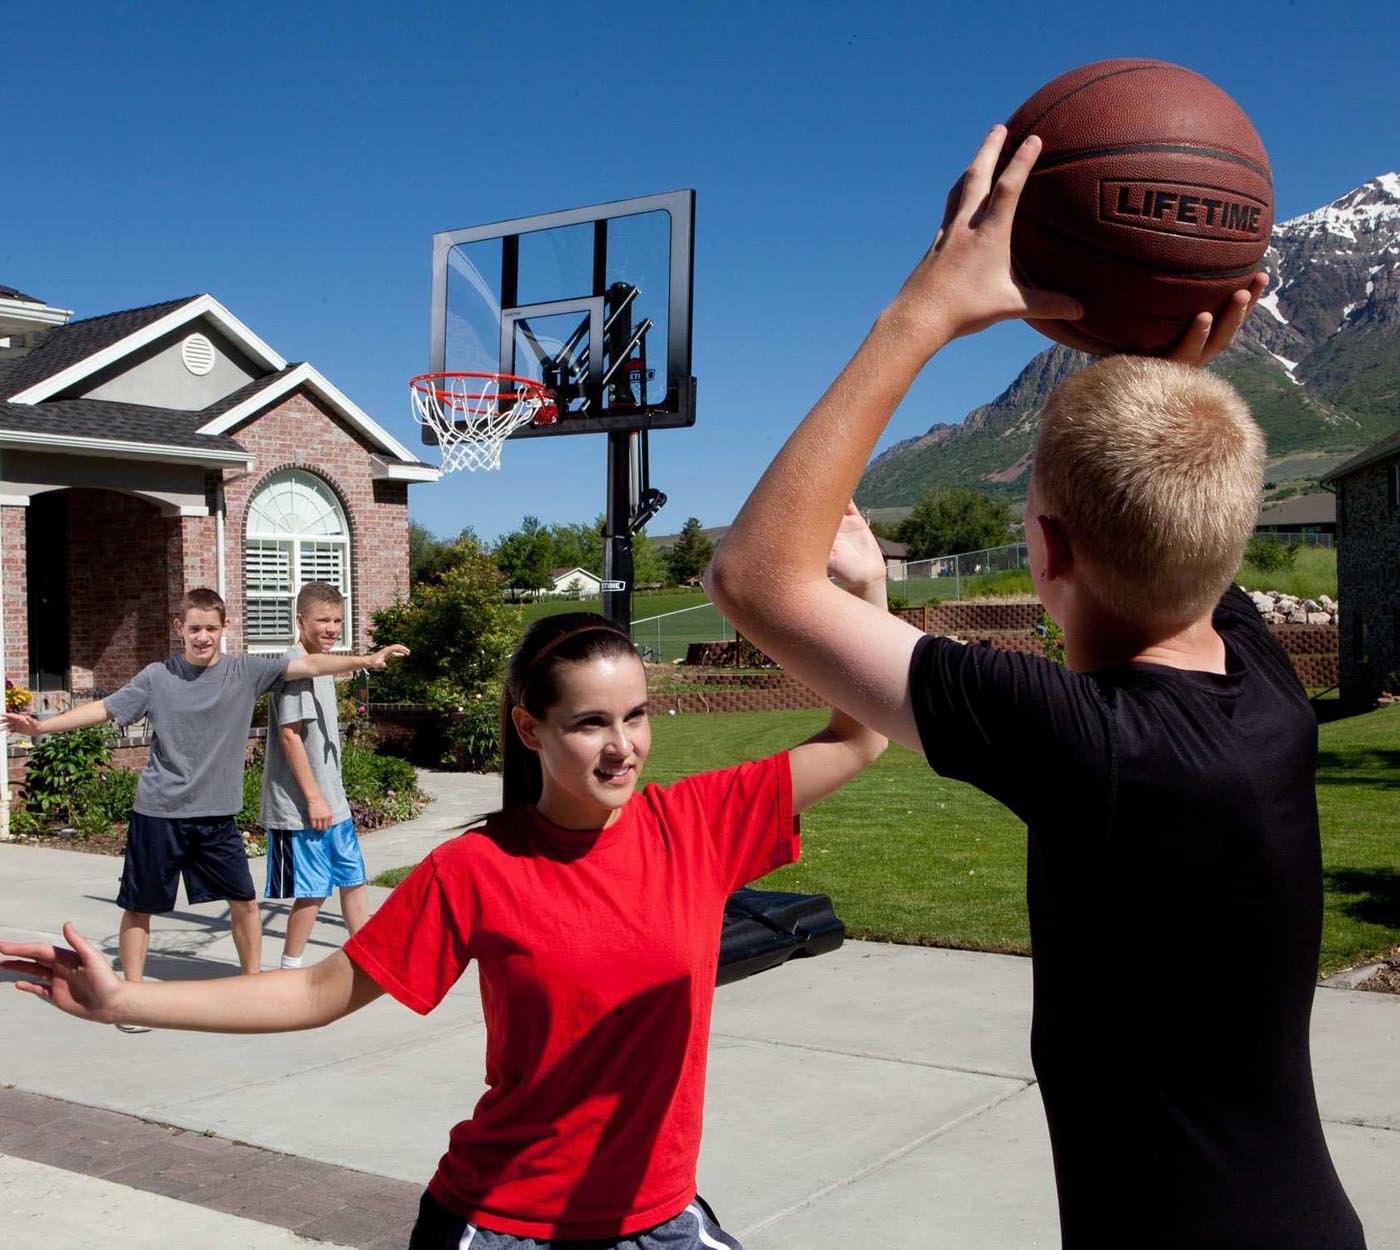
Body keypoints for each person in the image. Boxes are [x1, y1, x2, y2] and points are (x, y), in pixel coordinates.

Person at [704, 127, 1365, 1248]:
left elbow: (751, 574)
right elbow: (1181, 524)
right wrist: (1168, 385)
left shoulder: (1094, 746)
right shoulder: (1261, 689)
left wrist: (921, 311)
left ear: (1045, 556)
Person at [0, 516, 889, 1249]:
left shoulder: (696, 825)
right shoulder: (476, 869)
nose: (623, 746)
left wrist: (869, 593)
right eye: (589, 723)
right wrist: (130, 1001)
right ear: (530, 731)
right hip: (506, 1225)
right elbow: (317, 990)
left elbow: (861, 736)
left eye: (636, 716)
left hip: (658, 1218)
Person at [2, 587, 407, 1004]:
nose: (203, 636)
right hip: (158, 813)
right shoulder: (157, 677)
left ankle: (253, 988)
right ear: (180, 628)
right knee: (141, 908)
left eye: (211, 628)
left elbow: (307, 664)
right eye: (194, 628)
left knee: (245, 903)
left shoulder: (244, 672)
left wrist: (365, 659)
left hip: (217, 817)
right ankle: (132, 997)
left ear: (225, 629)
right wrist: (40, 728)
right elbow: (106, 708)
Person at [261, 581, 369, 970]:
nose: (331, 628)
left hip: (332, 801)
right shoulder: (296, 668)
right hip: (304, 806)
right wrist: (313, 797)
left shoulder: (321, 664)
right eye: (323, 620)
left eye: (338, 620)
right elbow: (291, 737)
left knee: (353, 879)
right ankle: (290, 969)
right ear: (301, 620)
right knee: (312, 891)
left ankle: (367, 959)